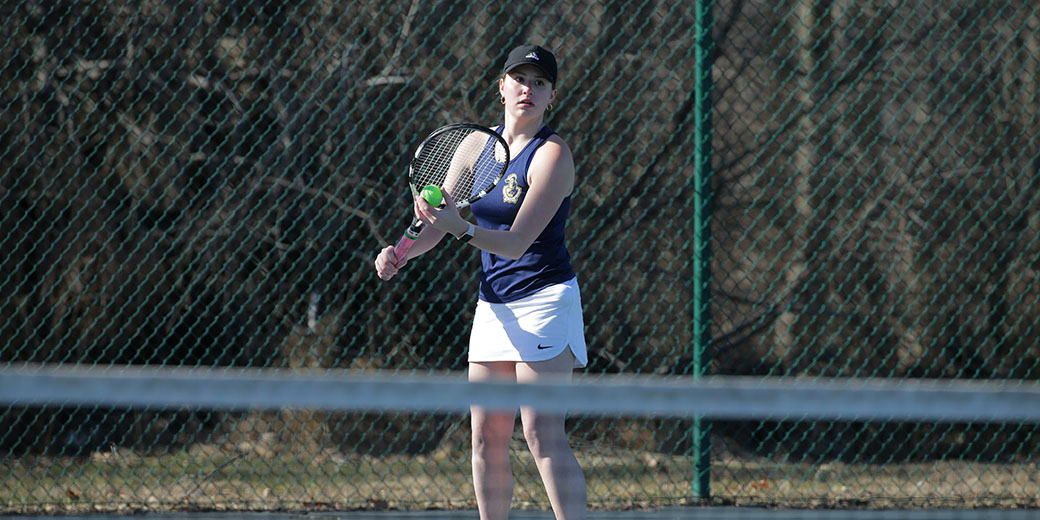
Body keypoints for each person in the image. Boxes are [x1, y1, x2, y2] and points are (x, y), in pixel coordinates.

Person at [374, 44, 587, 520]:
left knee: (540, 433)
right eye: (519, 78)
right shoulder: (475, 147)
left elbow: (514, 243)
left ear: (551, 95)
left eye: (540, 83)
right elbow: (436, 219)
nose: (527, 90)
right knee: (486, 435)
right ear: (501, 85)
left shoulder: (553, 156)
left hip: (545, 301)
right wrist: (399, 251)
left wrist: (459, 226)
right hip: (493, 306)